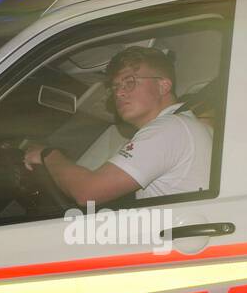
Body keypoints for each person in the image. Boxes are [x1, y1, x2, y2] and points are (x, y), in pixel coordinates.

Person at [22, 46, 212, 206]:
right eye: (115, 86)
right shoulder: (181, 126)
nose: (119, 92)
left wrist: (47, 154)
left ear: (163, 86)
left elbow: (88, 192)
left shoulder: (169, 129)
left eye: (130, 82)